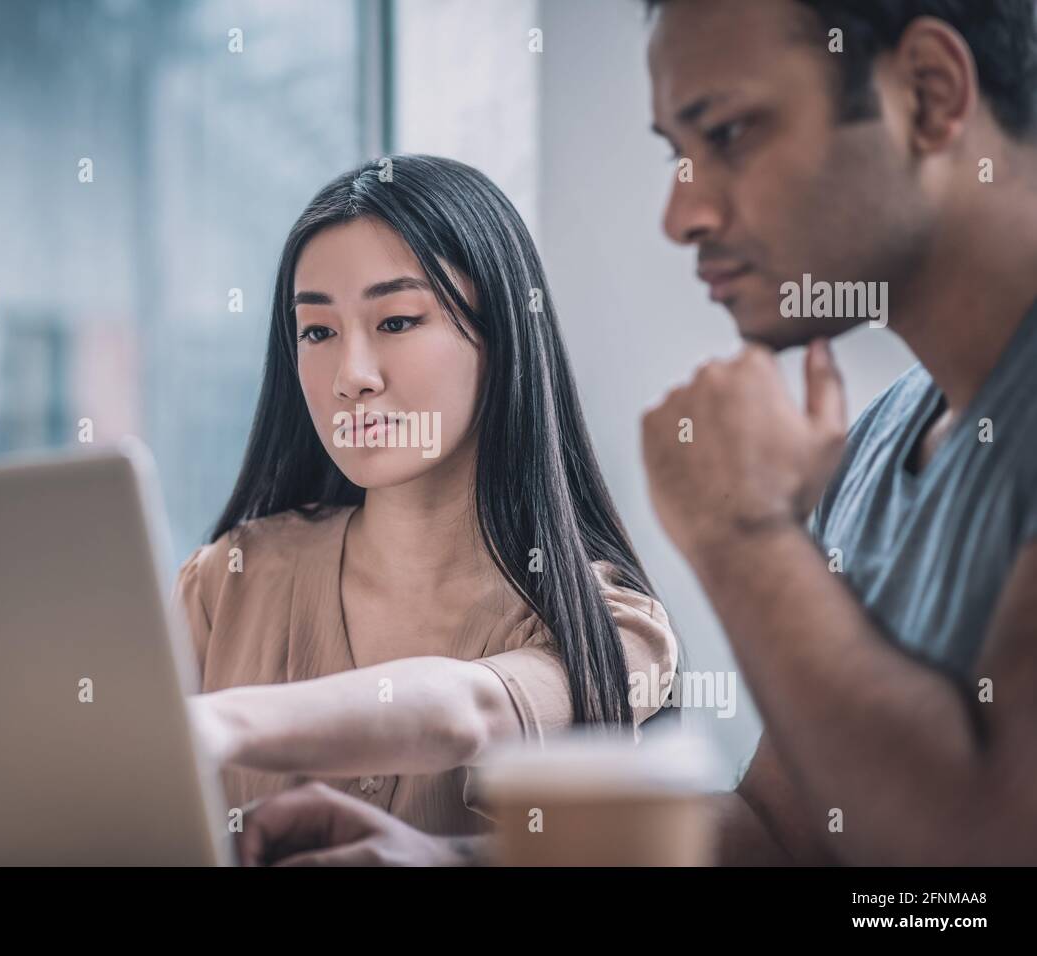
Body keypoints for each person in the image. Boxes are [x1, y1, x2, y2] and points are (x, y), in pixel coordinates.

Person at [237, 0, 1037, 866]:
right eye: (676, 153)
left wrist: (743, 535)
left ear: (928, 93)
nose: (680, 216)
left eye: (727, 133)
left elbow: (980, 854)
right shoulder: (882, 440)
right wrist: (442, 863)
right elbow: (784, 834)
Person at [175, 154, 678, 839]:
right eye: (318, 331)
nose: (351, 377)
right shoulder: (226, 581)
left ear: (502, 335)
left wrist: (217, 724)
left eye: (398, 321)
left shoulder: (612, 630)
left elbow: (468, 711)